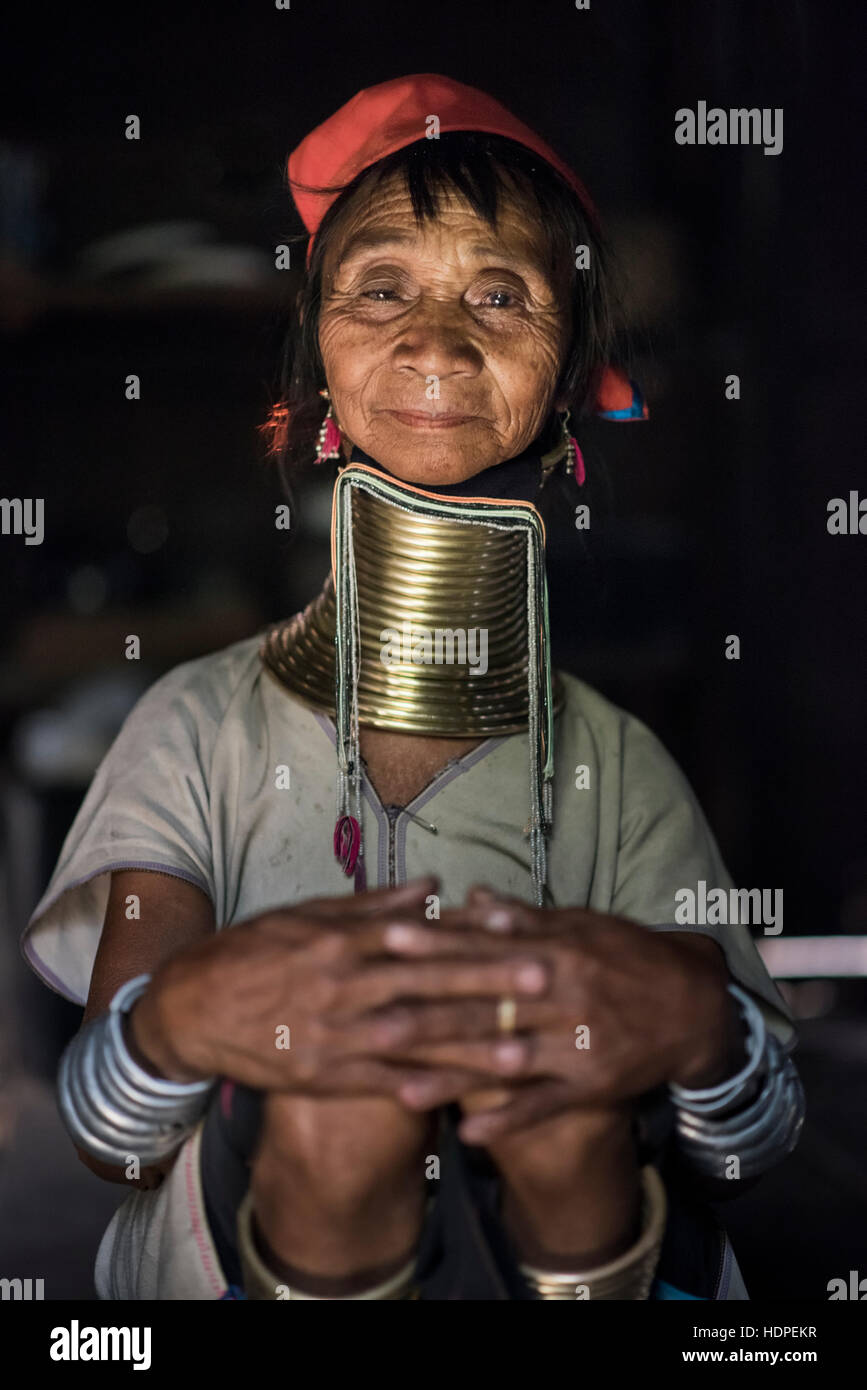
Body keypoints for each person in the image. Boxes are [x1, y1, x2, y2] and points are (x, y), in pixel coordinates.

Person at [23, 74, 803, 1301]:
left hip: (566, 1241)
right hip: (240, 1251)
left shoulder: (615, 767)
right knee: (339, 1110)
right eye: (381, 287)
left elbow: (751, 1147)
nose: (437, 341)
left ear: (567, 374)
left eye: (502, 294)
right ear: (319, 353)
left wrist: (705, 1032)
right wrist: (182, 1021)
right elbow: (111, 1140)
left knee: (566, 1114)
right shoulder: (198, 726)